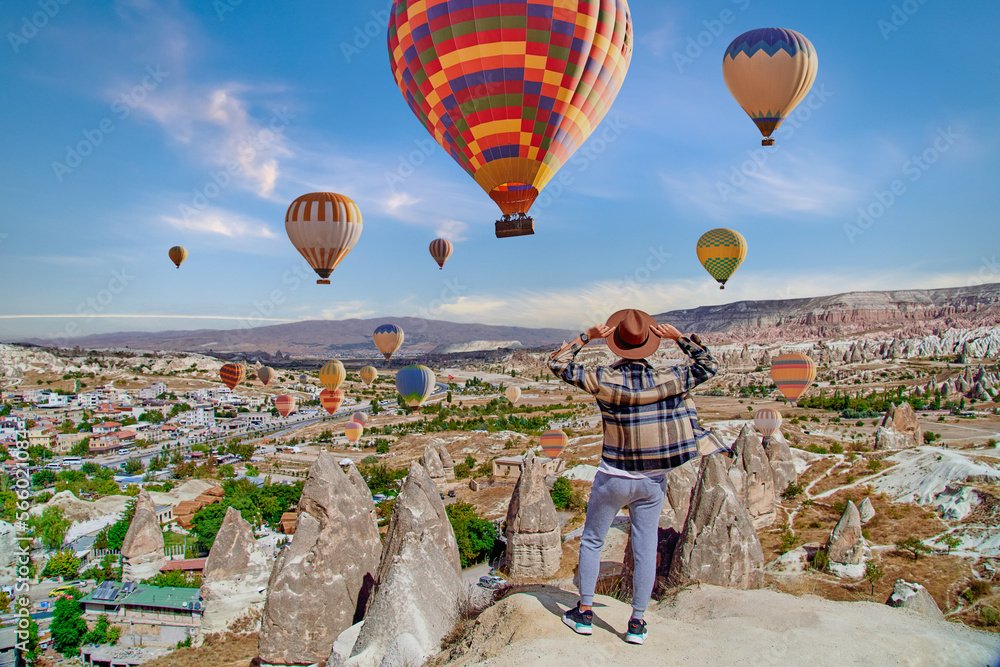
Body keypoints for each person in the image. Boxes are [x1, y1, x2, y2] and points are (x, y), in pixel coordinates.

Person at [548, 308, 719, 645]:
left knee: (593, 541)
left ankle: (584, 613)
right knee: (645, 547)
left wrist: (587, 336)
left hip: (613, 476)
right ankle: (637, 622)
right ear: (648, 344)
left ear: (617, 344)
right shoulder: (669, 378)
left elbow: (557, 362)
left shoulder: (604, 379)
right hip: (651, 482)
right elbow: (708, 365)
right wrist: (679, 338)